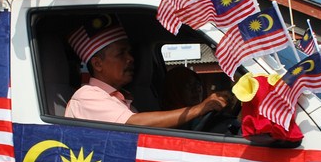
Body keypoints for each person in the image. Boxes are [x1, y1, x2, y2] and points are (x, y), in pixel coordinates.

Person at [64, 18, 230, 127]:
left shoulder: (122, 99)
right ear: (98, 64)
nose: (130, 59)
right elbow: (133, 124)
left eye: (129, 52)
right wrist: (199, 109)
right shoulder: (87, 96)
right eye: (121, 53)